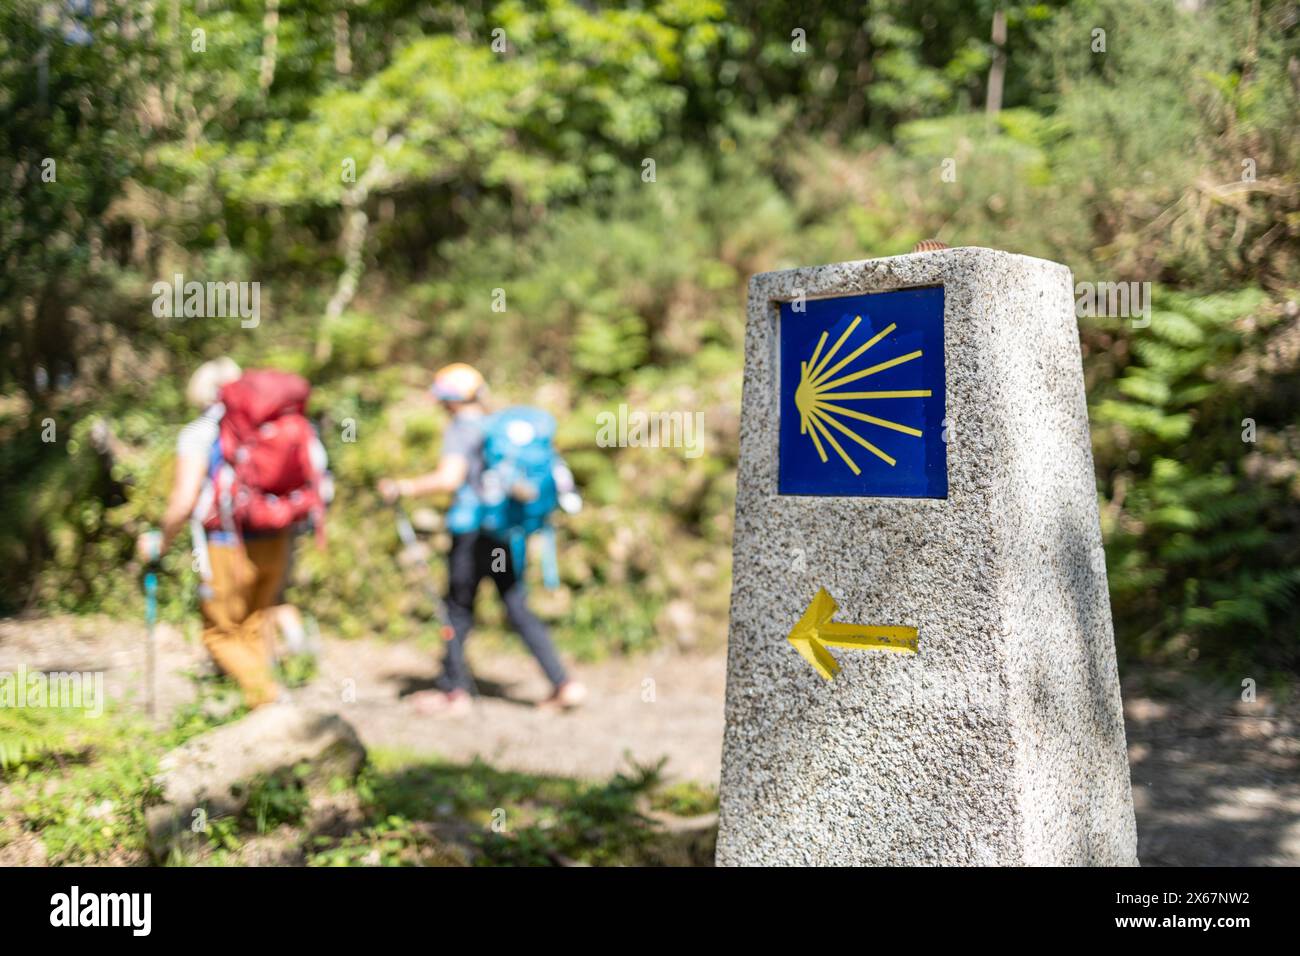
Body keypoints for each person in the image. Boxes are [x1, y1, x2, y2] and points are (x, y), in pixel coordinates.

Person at [379, 363, 586, 717]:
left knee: (457, 609)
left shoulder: (461, 429)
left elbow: (449, 478)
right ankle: (564, 684)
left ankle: (454, 692)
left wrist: (403, 487)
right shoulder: (496, 427)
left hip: (471, 533)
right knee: (515, 605)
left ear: (450, 400)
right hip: (501, 534)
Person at [136, 358, 330, 708]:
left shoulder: (201, 432)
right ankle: (262, 706)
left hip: (228, 545)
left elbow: (183, 501)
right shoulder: (285, 423)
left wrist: (158, 543)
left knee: (219, 634)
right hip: (278, 538)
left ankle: (271, 702)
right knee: (253, 625)